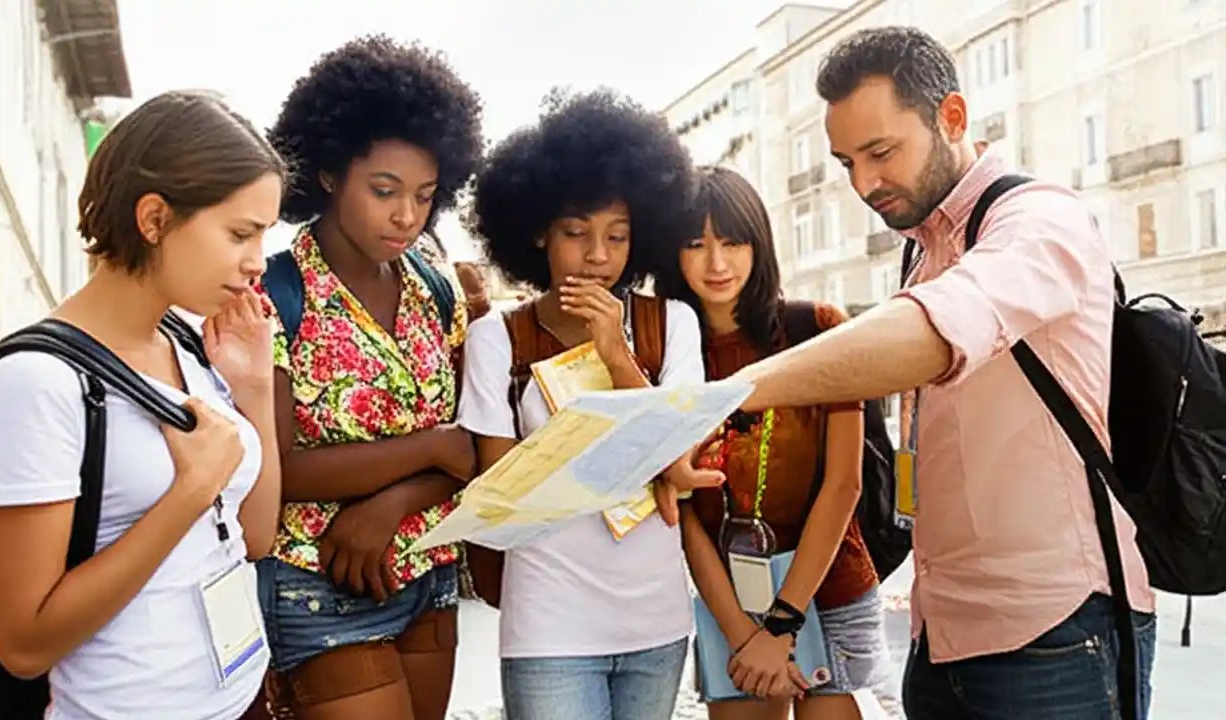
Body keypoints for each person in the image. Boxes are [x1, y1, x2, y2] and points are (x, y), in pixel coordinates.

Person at [725, 27, 1157, 719]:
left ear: (951, 118)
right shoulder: (923, 247)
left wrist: (733, 392)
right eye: (845, 163)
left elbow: (937, 326)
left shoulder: (1039, 218)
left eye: (881, 153)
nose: (864, 184)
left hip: (1054, 634)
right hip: (941, 635)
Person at [0, 90, 285, 719]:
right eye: (240, 234)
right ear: (154, 219)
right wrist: (187, 494)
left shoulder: (191, 347)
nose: (257, 263)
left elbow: (253, 535)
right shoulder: (39, 381)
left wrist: (253, 390)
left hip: (239, 699)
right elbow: (24, 644)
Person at [457, 88, 720, 720]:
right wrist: (638, 456)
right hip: (549, 619)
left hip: (655, 617)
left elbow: (679, 461)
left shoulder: (671, 324)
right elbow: (502, 494)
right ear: (539, 233)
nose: (598, 256)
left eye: (618, 236)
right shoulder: (498, 336)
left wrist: (616, 354)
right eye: (576, 233)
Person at [252, 35, 484, 720]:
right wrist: (430, 448)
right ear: (329, 172)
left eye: (424, 195)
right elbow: (280, 470)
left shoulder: (437, 293)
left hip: (429, 570)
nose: (407, 216)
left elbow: (470, 449)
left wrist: (390, 504)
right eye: (384, 190)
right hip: (318, 581)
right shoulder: (272, 293)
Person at [655, 166, 898, 720]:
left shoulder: (817, 328)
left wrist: (784, 621)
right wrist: (743, 632)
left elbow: (844, 484)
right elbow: (682, 510)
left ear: (758, 245)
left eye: (733, 242)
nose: (717, 263)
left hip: (832, 590)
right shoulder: (668, 356)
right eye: (696, 244)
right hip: (730, 602)